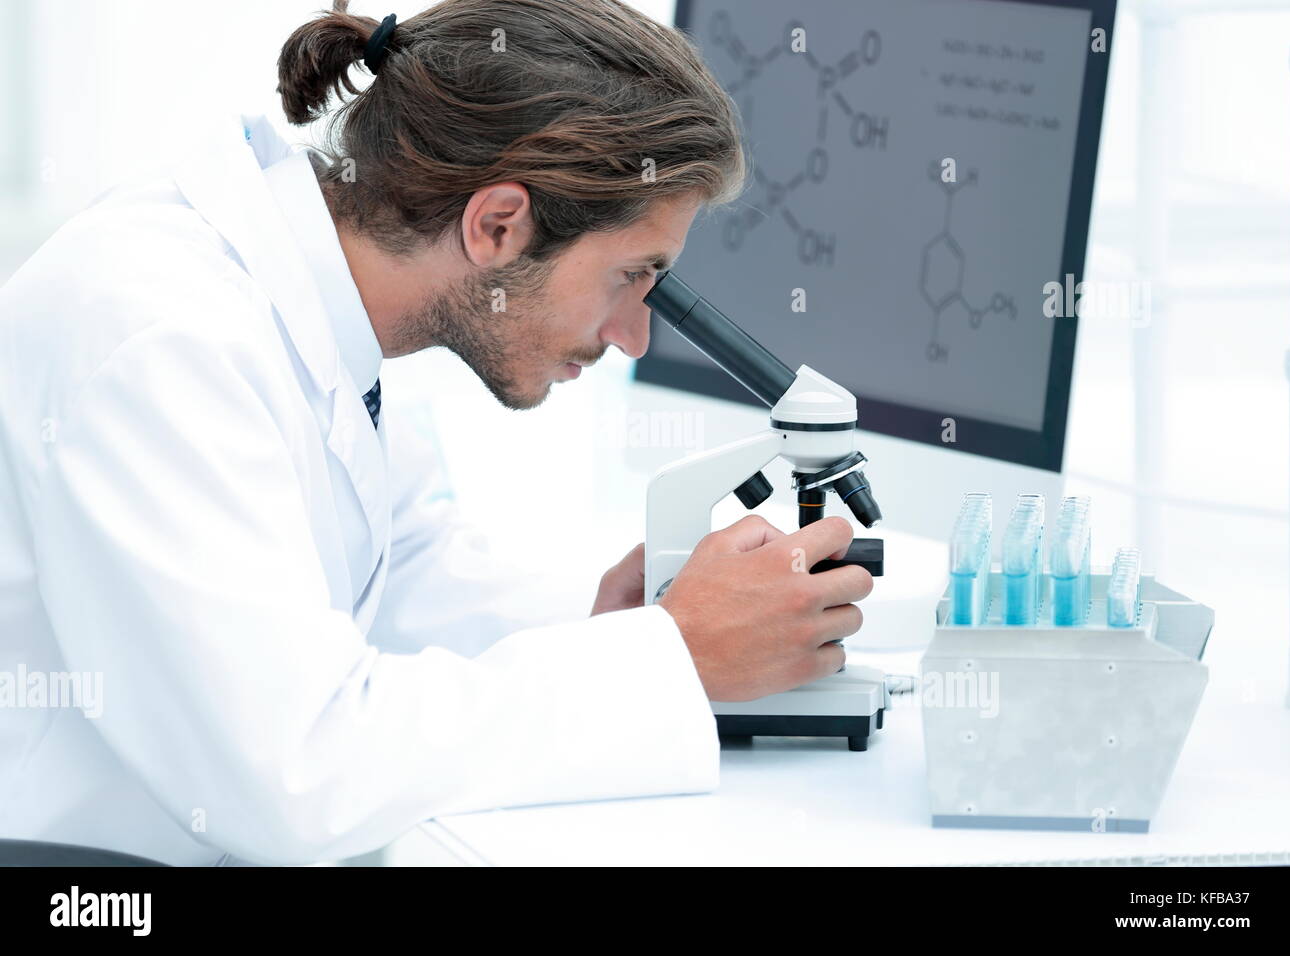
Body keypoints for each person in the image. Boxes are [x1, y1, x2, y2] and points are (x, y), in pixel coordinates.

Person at [0, 0, 871, 865]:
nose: (632, 336)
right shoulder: (165, 341)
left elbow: (400, 573)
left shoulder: (315, 298)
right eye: (630, 278)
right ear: (497, 225)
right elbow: (297, 777)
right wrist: (669, 658)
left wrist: (629, 620)